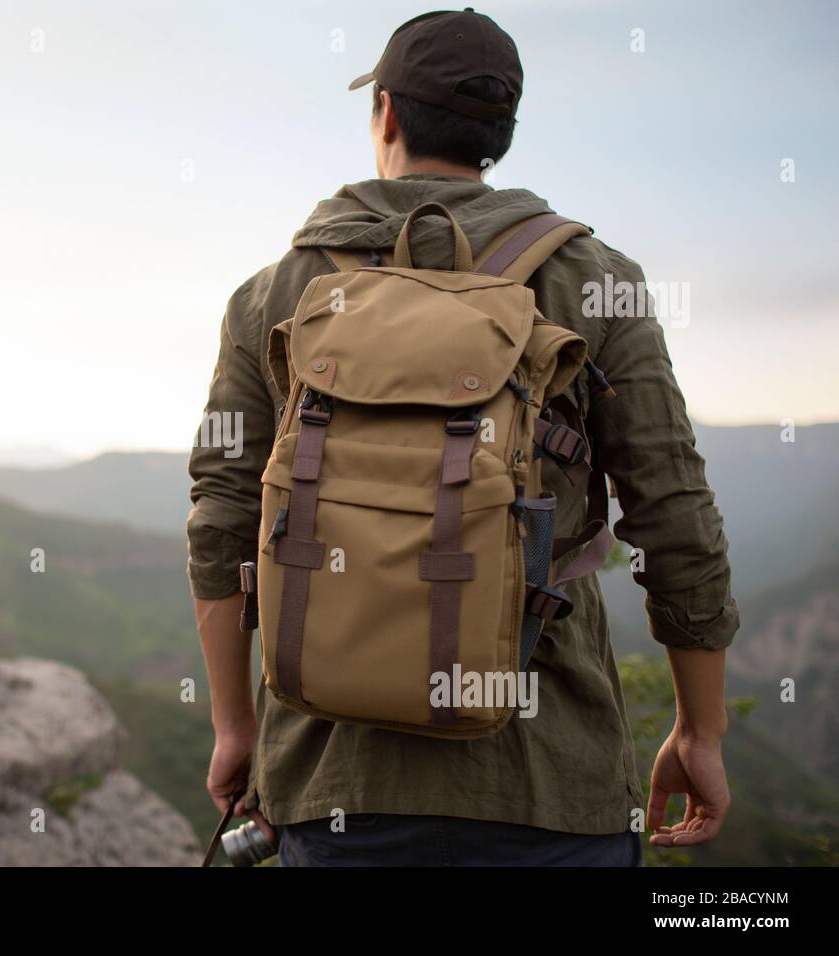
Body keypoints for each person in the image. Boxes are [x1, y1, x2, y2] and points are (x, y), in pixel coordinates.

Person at [186, 8, 737, 866]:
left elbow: (221, 522)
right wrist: (701, 729)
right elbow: (675, 515)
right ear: (501, 136)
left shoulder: (277, 294)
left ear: (388, 115)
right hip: (551, 785)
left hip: (336, 789)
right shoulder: (595, 281)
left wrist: (233, 725)